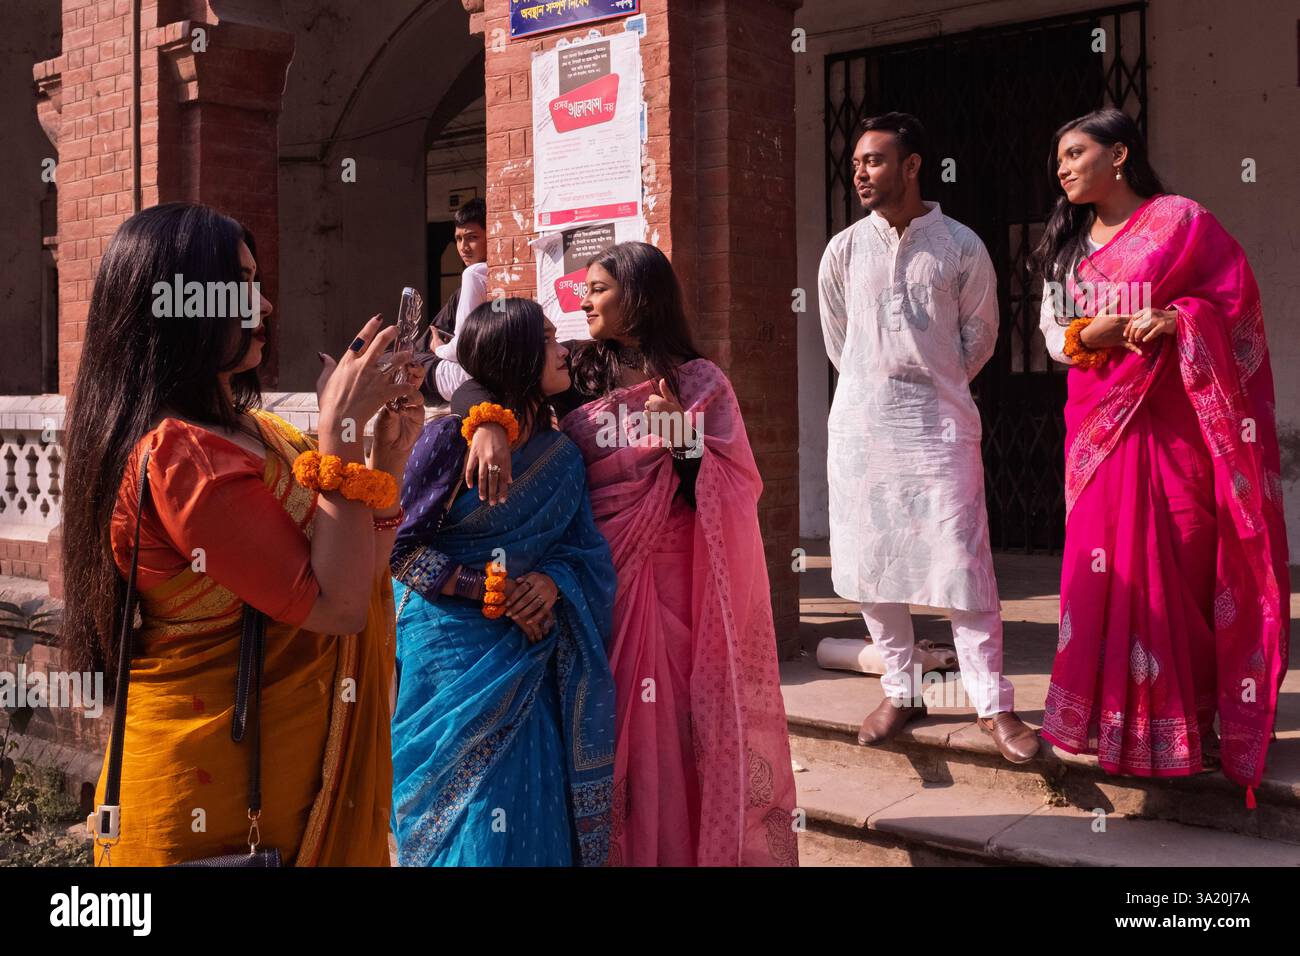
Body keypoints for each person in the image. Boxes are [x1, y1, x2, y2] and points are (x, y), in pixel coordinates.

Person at [61, 201, 425, 866]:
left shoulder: (259, 434)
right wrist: (338, 431)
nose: (262, 306)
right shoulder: (180, 459)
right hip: (219, 804)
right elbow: (338, 607)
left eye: (258, 286)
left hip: (284, 782)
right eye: (239, 288)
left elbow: (359, 576)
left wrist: (385, 459)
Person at [451, 242, 798, 866]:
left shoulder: (698, 381)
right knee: (600, 735)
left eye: (599, 288)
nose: (584, 299)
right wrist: (487, 422)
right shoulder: (575, 371)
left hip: (671, 593)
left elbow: (737, 488)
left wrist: (681, 441)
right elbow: (470, 370)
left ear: (639, 295)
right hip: (590, 587)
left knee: (669, 739)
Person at [1032, 108, 1289, 791]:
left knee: (1182, 557)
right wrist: (1102, 331)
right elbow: (1055, 337)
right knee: (1105, 572)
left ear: (1119, 156)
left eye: (1075, 152)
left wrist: (1178, 319)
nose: (1062, 167)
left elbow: (1233, 302)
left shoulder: (1181, 221)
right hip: (1099, 431)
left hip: (1176, 426)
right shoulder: (1068, 246)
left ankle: (1189, 726)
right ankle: (1112, 726)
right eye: (1058, 157)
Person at [816, 112, 1039, 764]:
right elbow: (840, 342)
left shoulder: (960, 245)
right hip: (861, 429)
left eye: (875, 160)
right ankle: (902, 687)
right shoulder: (843, 250)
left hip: (939, 429)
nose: (860, 172)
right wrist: (876, 386)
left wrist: (929, 385)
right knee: (871, 566)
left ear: (913, 167)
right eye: (856, 162)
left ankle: (992, 704)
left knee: (964, 567)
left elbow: (981, 336)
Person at [389, 298, 617, 866]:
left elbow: (582, 549)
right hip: (449, 649)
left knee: (530, 799)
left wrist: (548, 583)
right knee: (474, 818)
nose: (562, 348)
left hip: (526, 649)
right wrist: (483, 588)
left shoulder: (563, 454)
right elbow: (397, 549)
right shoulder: (447, 442)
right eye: (545, 339)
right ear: (516, 356)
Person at [416, 197, 489, 403]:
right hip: (473, 375)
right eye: (458, 239)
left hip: (465, 379)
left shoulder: (474, 274)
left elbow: (462, 350)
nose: (464, 247)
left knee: (393, 362)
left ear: (491, 235)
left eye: (472, 237)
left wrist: (439, 347)